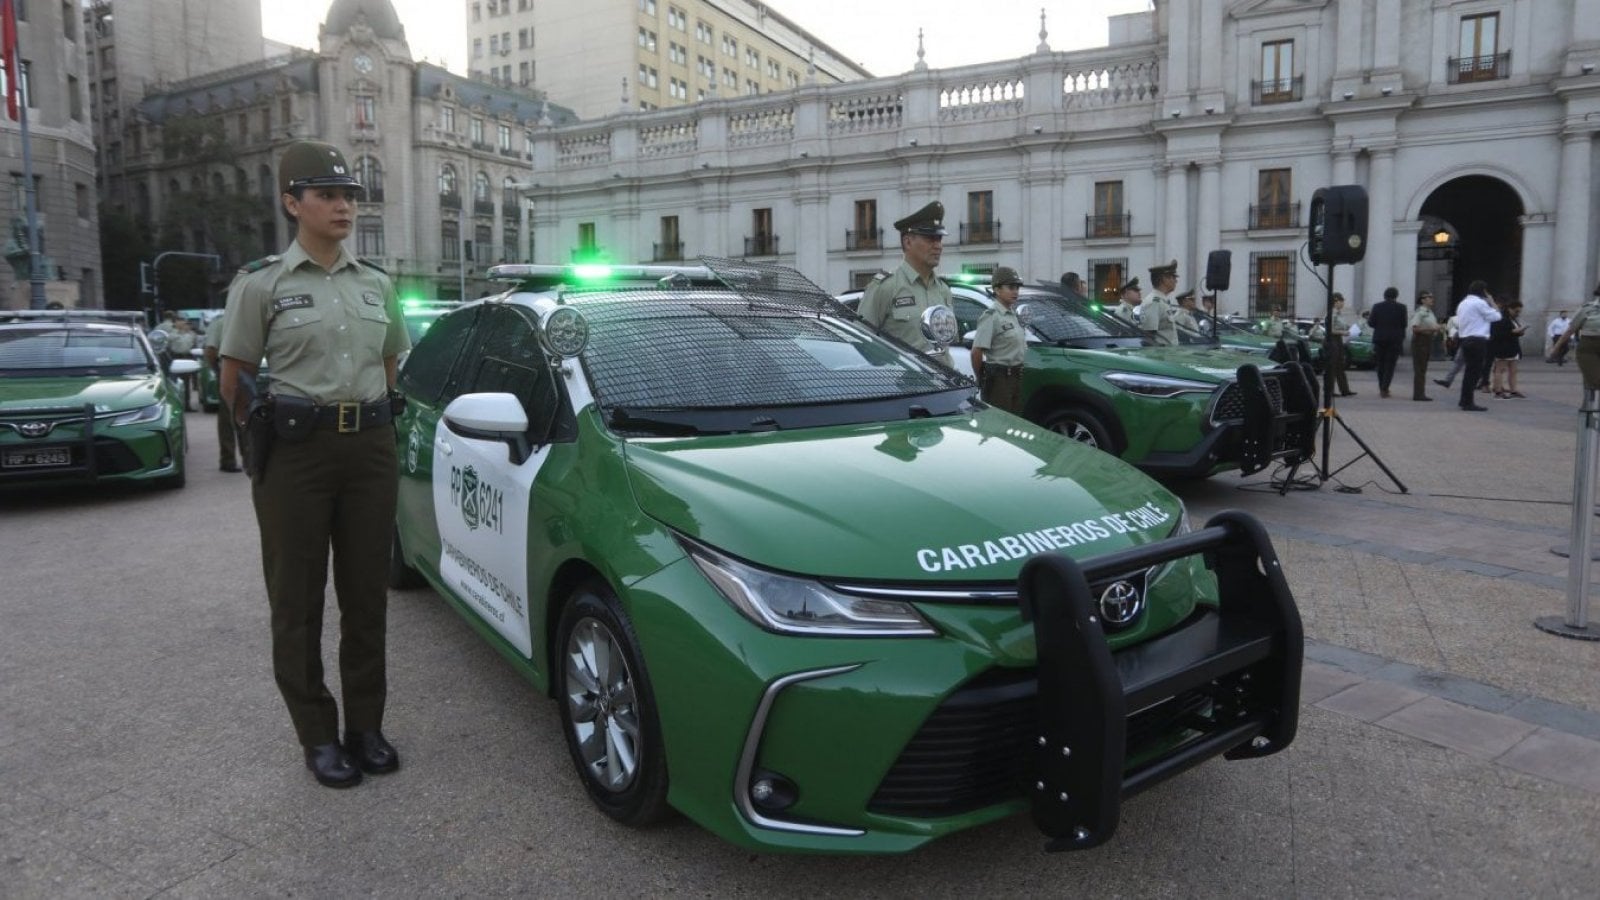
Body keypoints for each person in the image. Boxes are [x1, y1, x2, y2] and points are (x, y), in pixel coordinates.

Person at [219, 140, 411, 789]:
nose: (342, 206)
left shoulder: (377, 285)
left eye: (349, 195)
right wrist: (266, 442)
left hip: (369, 452)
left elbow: (388, 368)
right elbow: (234, 379)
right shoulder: (261, 283)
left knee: (366, 598)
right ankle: (318, 735)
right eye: (327, 194)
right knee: (296, 602)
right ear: (291, 201)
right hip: (296, 456)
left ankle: (365, 727)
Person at [858, 201, 954, 366]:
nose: (938, 246)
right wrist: (891, 368)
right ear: (908, 242)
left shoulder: (943, 290)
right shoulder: (886, 287)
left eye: (939, 239)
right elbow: (861, 340)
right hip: (904, 386)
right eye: (931, 238)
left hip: (943, 386)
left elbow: (945, 344)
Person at [970, 266, 1027, 413]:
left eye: (1017, 288)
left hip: (1017, 376)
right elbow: (976, 352)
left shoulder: (1012, 314)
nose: (1015, 292)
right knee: (1000, 426)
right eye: (1010, 287)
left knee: (1015, 424)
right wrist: (981, 378)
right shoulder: (991, 316)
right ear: (997, 290)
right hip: (999, 379)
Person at [1452, 280, 1501, 411]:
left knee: (1469, 372)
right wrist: (1492, 302)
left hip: (1465, 339)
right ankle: (1468, 402)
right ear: (1483, 291)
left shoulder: (1463, 303)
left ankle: (1464, 400)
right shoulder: (1480, 303)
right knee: (1474, 372)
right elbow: (1497, 317)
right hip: (1477, 340)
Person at [204, 313, 242, 472]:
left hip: (231, 368)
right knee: (233, 416)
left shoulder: (220, 322)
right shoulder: (225, 322)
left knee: (229, 417)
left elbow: (211, 350)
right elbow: (211, 350)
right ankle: (233, 459)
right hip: (243, 369)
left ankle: (230, 459)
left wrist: (216, 368)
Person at [1552, 282, 1600, 388]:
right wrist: (1556, 348)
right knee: (1596, 380)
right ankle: (1590, 401)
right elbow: (1570, 330)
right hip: (1589, 347)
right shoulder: (1587, 309)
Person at [1368, 286, 1408, 398]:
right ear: (1396, 296)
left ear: (1384, 295)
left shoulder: (1377, 307)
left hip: (1379, 339)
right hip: (1395, 339)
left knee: (1380, 364)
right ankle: (1385, 388)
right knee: (1390, 365)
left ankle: (1381, 386)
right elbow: (1404, 324)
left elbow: (1371, 323)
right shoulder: (1402, 308)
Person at [1489, 297, 1527, 398]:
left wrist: (1519, 332)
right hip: (1502, 347)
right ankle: (1498, 390)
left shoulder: (1512, 319)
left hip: (1512, 347)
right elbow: (1498, 333)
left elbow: (1514, 331)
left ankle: (1513, 390)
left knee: (1513, 370)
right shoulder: (1500, 318)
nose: (1518, 313)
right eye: (1516, 311)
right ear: (1509, 308)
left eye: (1519, 311)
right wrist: (1514, 332)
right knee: (1500, 369)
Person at [1139, 259, 1180, 345]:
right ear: (1164, 279)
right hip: (1160, 356)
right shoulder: (1154, 302)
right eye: (1173, 277)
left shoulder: (1162, 301)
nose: (1176, 281)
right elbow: (1148, 337)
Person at [1409, 291, 1440, 401]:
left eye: (1432, 297)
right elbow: (1415, 328)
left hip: (1427, 340)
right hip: (1420, 341)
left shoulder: (1429, 312)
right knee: (1420, 369)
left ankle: (1421, 392)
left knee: (1423, 368)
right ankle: (1418, 394)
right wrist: (1432, 329)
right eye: (1428, 297)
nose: (1431, 299)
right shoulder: (1420, 312)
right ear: (1422, 300)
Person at [1325, 293, 1355, 396]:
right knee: (1332, 366)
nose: (1343, 303)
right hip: (1332, 340)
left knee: (1340, 366)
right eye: (1341, 301)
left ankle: (1345, 390)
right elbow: (1330, 330)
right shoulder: (1331, 314)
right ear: (1335, 302)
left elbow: (1343, 325)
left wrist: (1351, 328)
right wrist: (1344, 332)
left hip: (1338, 340)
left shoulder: (1339, 314)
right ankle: (1330, 391)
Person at [166, 318, 199, 411]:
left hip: (186, 358)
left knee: (187, 384)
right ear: (175, 323)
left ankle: (187, 405)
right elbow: (166, 348)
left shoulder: (191, 335)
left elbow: (193, 345)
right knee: (174, 383)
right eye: (179, 321)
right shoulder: (171, 334)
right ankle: (174, 406)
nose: (182, 323)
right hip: (175, 358)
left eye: (183, 322)